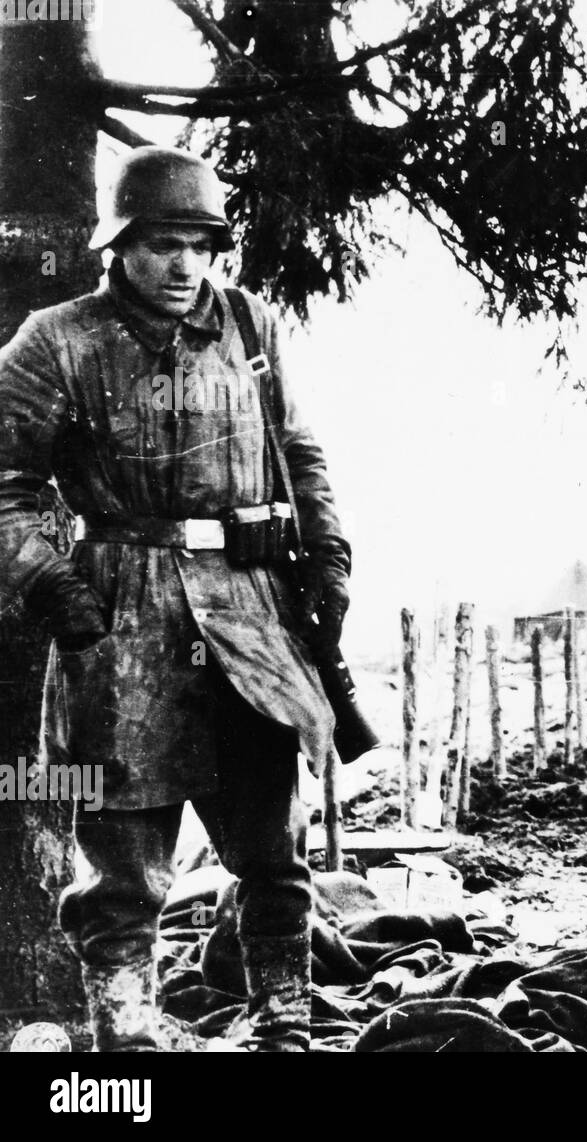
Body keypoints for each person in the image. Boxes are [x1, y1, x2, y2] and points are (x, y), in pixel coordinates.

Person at [0, 146, 351, 1052]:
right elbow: (2, 485)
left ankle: (286, 1022)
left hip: (250, 605)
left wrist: (330, 556)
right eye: (163, 243)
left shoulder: (250, 328)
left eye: (200, 243)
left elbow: (299, 451)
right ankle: (129, 1034)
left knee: (272, 841)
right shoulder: (57, 340)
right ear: (120, 247)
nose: (184, 265)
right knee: (123, 850)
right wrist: (53, 588)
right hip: (122, 609)